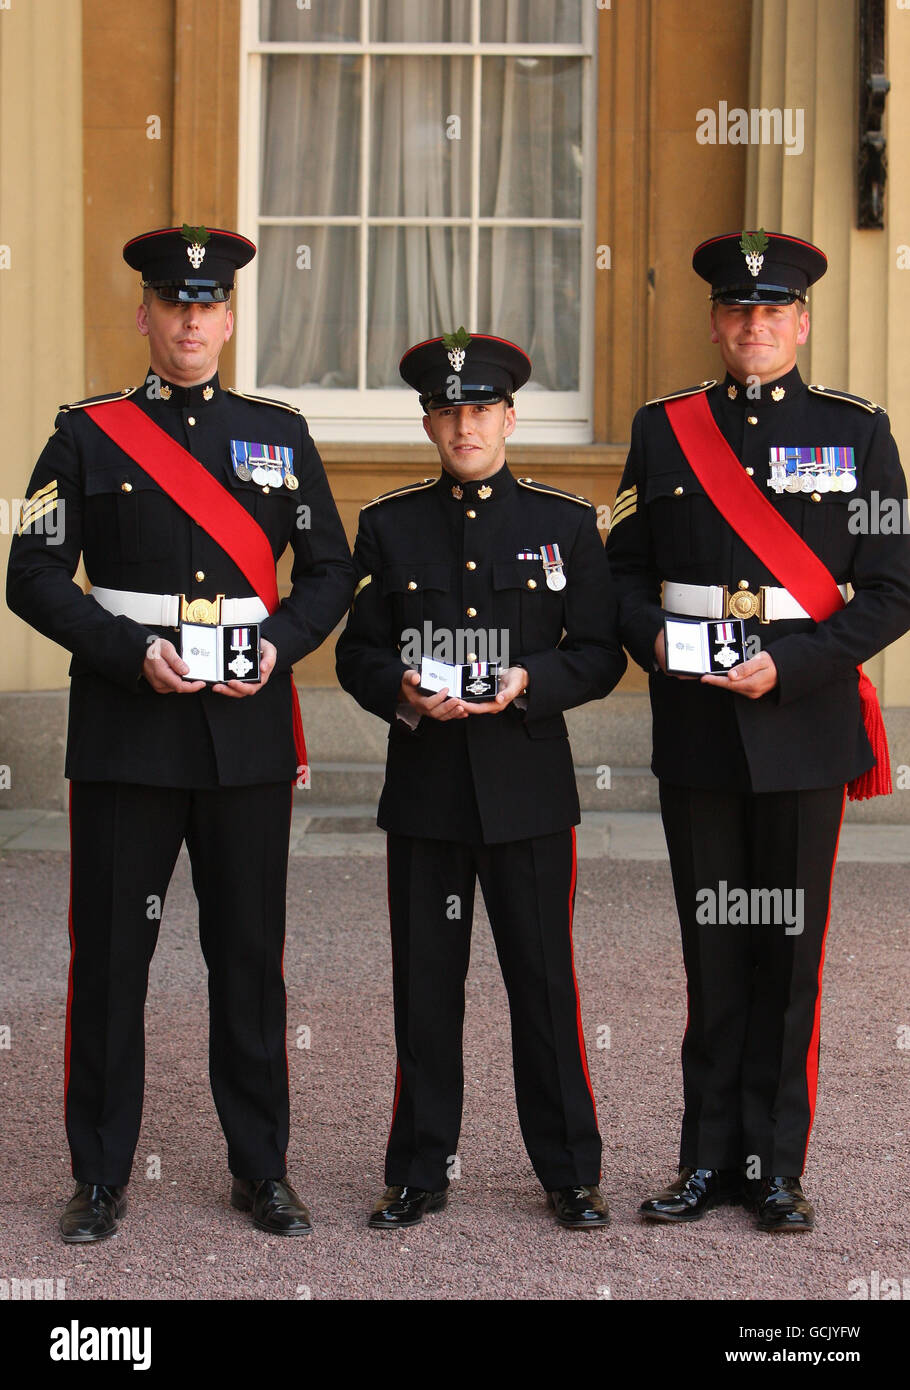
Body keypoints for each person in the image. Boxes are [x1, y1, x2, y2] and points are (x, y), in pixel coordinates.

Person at [6, 224, 354, 1242]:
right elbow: (28, 572)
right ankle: (100, 1176)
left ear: (231, 316)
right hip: (126, 733)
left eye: (207, 305)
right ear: (146, 313)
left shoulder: (280, 434)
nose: (191, 320)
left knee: (248, 956)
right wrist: (123, 650)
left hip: (243, 734)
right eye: (173, 303)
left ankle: (262, 1169)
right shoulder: (84, 434)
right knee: (110, 958)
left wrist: (278, 646)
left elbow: (329, 571)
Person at [606, 230, 910, 1231]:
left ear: (801, 322)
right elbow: (620, 572)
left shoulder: (857, 431)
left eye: (771, 310)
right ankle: (701, 1162)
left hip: (801, 725)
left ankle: (773, 1167)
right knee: (710, 951)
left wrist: (794, 662)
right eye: (738, 311)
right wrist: (654, 641)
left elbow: (889, 588)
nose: (752, 324)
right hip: (696, 723)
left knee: (785, 951)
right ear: (714, 322)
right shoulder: (663, 430)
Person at [335, 331, 626, 1231]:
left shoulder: (564, 523)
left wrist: (532, 680)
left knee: (542, 985)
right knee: (426, 986)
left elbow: (603, 652)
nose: (465, 425)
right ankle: (419, 1171)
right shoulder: (387, 523)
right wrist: (402, 691)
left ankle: (570, 1173)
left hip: (527, 788)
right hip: (426, 787)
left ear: (509, 416)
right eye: (448, 410)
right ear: (428, 421)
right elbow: (358, 651)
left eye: (481, 410)